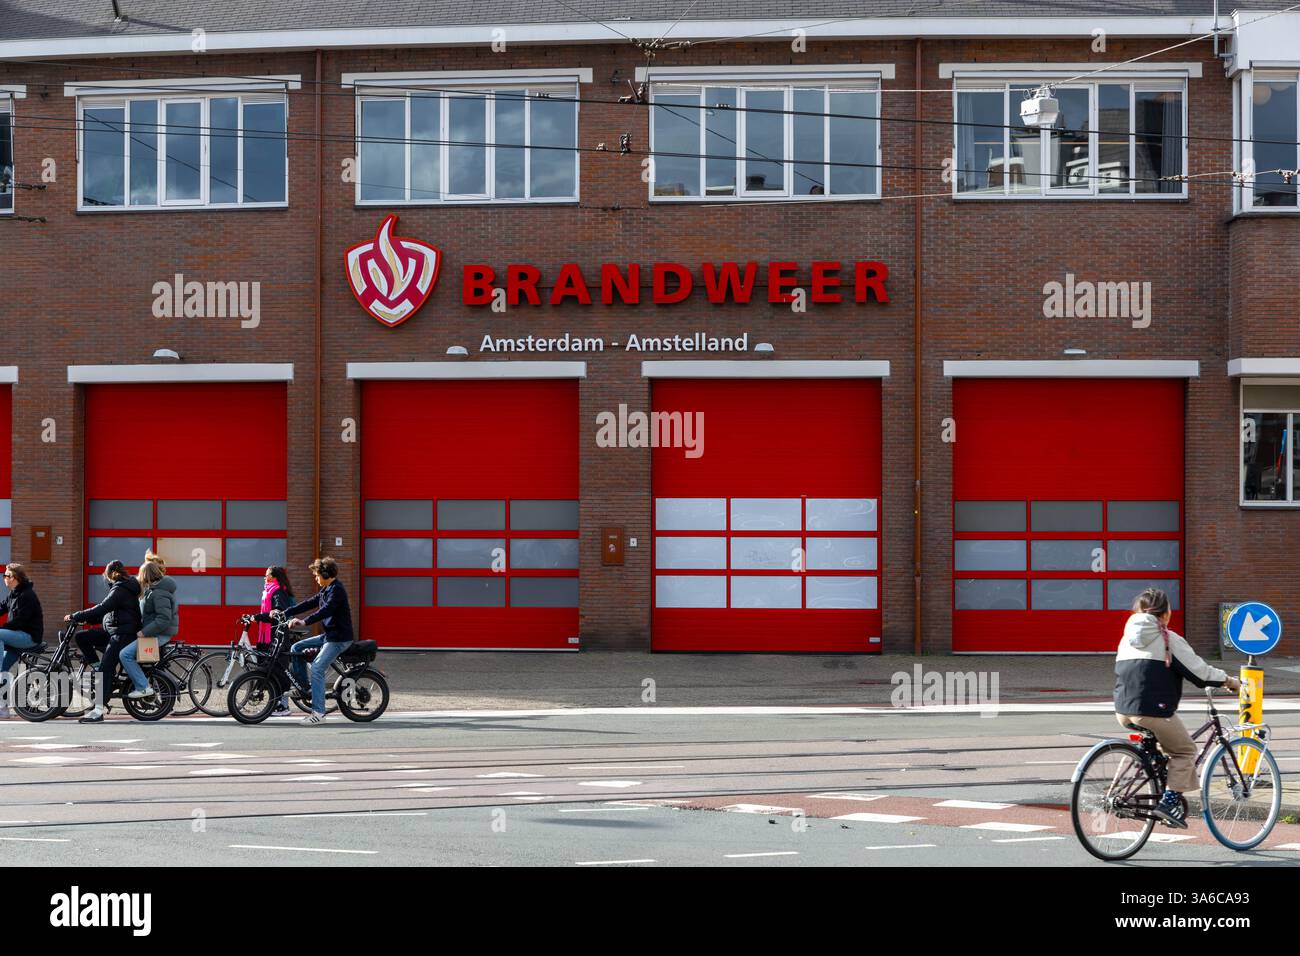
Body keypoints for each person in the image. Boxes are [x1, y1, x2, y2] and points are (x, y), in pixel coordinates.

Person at [1114, 587, 1241, 828]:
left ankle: (1155, 782)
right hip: (1154, 711)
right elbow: (1200, 674)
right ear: (1165, 613)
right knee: (1184, 751)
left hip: (1123, 709)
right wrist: (1228, 681)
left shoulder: (1126, 638)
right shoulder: (1167, 638)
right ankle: (1168, 803)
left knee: (1162, 750)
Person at [68, 560, 143, 723]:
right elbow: (108, 613)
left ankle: (98, 710)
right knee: (82, 637)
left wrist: (77, 615)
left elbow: (102, 607)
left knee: (105, 669)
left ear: (110, 574)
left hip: (122, 634)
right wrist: (87, 620)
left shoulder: (120, 589)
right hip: (114, 631)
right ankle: (96, 667)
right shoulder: (122, 587)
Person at [285, 557, 353, 726]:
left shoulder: (337, 590)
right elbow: (309, 603)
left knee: (317, 667)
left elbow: (326, 610)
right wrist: (286, 612)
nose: (315, 579)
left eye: (316, 575)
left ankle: (319, 713)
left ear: (325, 573)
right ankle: (306, 688)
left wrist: (304, 622)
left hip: (339, 638)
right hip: (329, 636)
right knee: (296, 647)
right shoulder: (326, 589)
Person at [119, 560, 179, 700]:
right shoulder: (153, 590)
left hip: (158, 634)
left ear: (146, 575)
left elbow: (164, 619)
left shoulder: (159, 593)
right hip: (154, 632)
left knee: (125, 655)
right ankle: (160, 697)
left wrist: (144, 632)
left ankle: (143, 687)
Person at [249, 566, 295, 716]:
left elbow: (277, 613)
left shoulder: (278, 592)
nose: (264, 577)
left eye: (267, 575)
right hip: (267, 636)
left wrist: (258, 617)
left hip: (277, 636)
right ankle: (273, 702)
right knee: (265, 667)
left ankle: (284, 705)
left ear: (274, 577)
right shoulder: (268, 591)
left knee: (278, 670)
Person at [0, 564, 43, 719]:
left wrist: (3, 628)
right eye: (4, 575)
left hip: (28, 637)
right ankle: (3, 710)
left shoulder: (27, 595)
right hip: (16, 638)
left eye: (7, 575)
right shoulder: (14, 594)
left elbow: (21, 621)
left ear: (15, 578)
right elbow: (1, 607)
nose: (4, 578)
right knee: (4, 670)